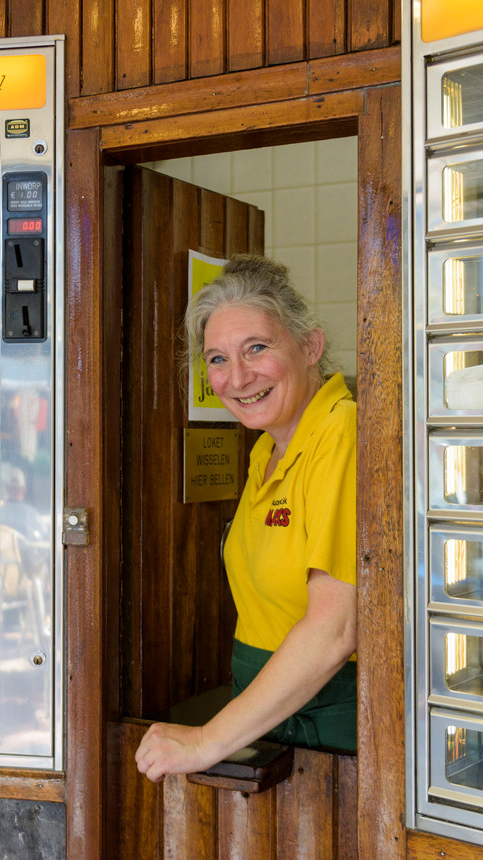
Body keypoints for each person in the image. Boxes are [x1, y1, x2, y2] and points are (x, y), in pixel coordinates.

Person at [135, 255, 357, 783]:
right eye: (217, 359)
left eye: (257, 348)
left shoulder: (341, 432)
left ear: (310, 346)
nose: (237, 377)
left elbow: (336, 627)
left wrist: (208, 739)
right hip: (268, 722)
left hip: (334, 734)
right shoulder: (266, 451)